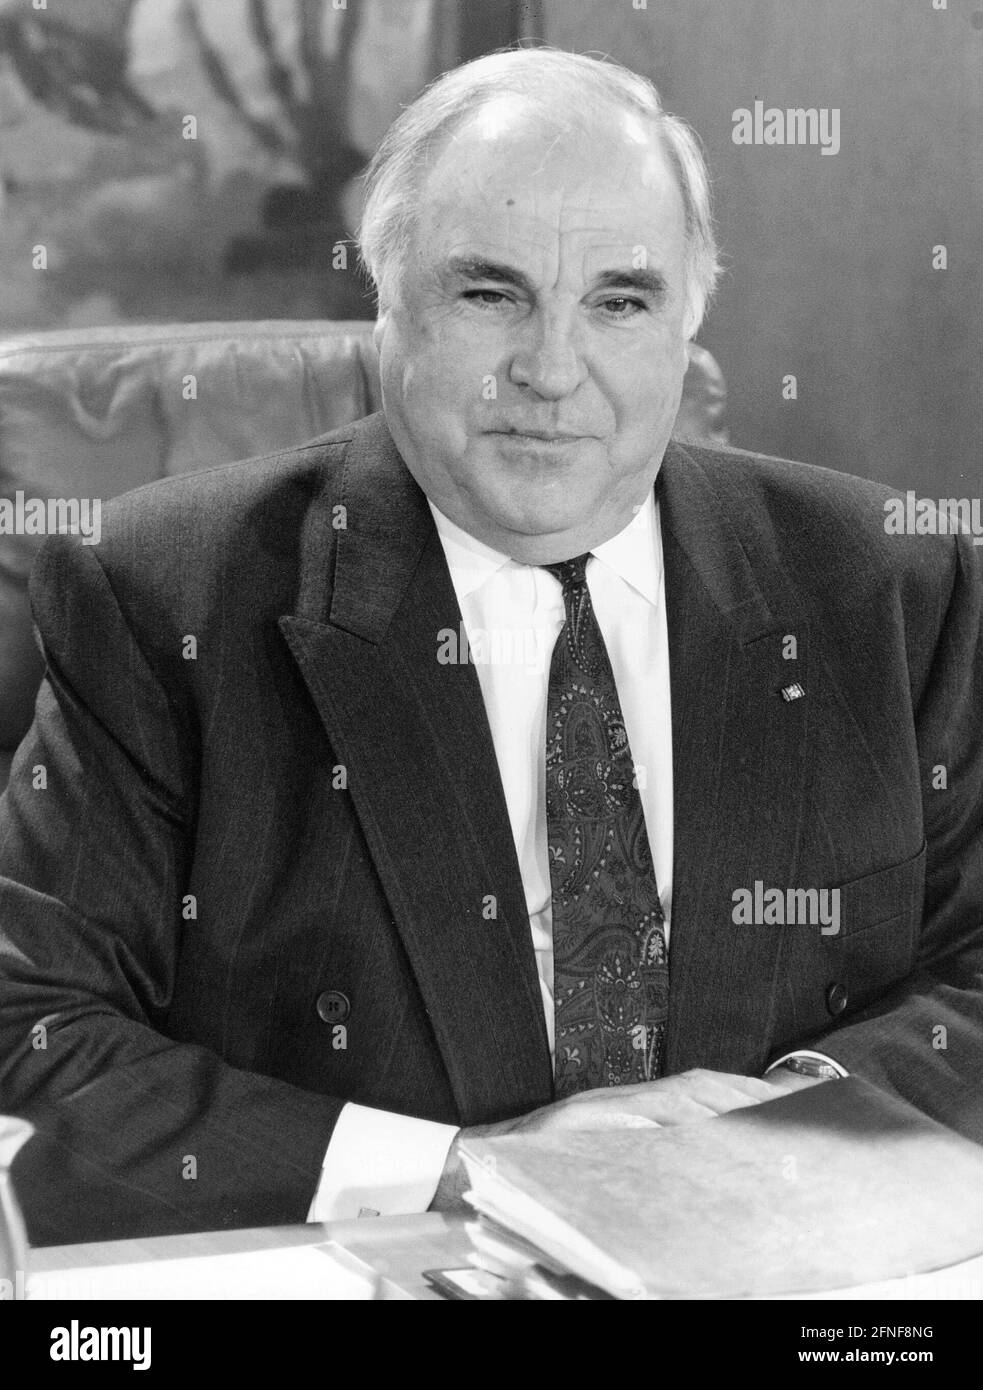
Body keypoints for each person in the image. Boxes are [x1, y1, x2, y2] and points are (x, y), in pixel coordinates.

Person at [1, 47, 981, 1246]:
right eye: (488, 293)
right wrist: (454, 1170)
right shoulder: (164, 596)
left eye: (618, 300)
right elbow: (30, 1022)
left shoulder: (886, 580)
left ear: (688, 319)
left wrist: (777, 1133)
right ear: (385, 301)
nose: (551, 372)